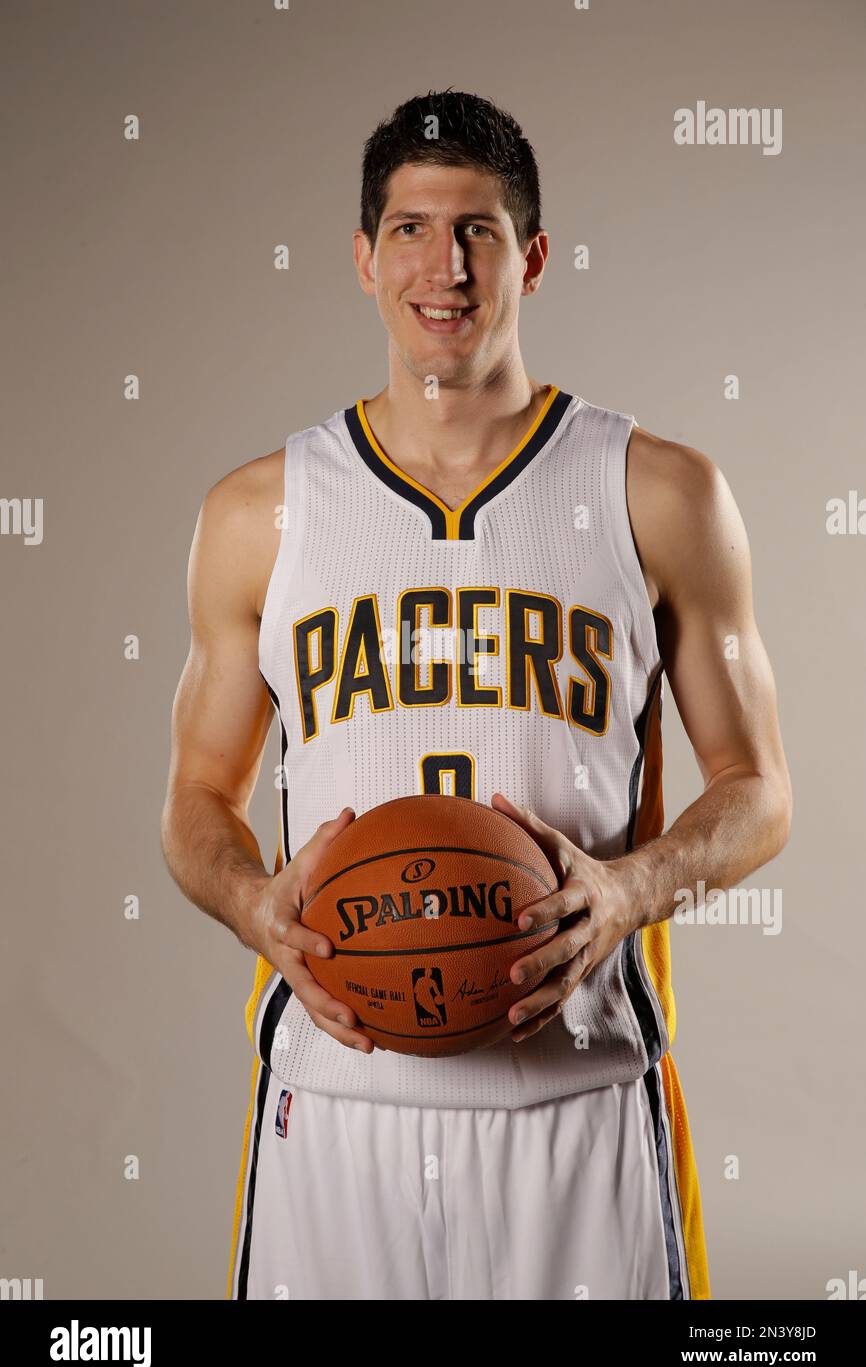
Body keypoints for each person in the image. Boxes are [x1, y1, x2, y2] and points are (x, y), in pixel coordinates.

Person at [161, 89, 792, 1301]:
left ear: (532, 258)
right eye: (408, 228)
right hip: (336, 1108)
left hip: (581, 1094)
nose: (440, 267)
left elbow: (758, 792)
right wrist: (253, 904)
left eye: (476, 232)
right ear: (361, 256)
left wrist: (628, 888)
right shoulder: (256, 515)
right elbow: (194, 799)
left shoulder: (656, 493)